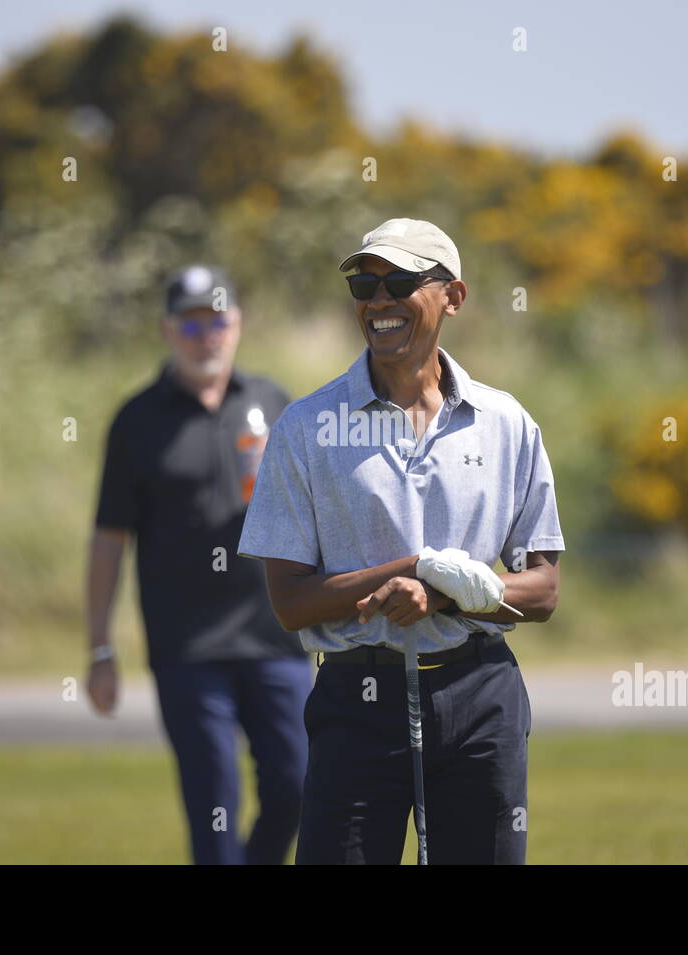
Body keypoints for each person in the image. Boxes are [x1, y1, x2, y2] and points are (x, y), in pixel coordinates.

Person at [237, 218, 563, 864]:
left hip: (481, 699)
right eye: (364, 283)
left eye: (401, 281)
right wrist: (411, 567)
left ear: (454, 296)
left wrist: (441, 592)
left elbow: (544, 588)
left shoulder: (507, 424)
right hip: (356, 704)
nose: (378, 299)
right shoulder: (305, 427)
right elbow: (291, 603)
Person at [87, 265, 308, 864]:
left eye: (218, 320)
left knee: (298, 785)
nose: (205, 334)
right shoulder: (137, 421)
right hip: (188, 648)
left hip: (275, 636)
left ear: (237, 325)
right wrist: (101, 649)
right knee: (213, 807)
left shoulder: (273, 403)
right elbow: (108, 540)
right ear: (167, 328)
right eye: (191, 321)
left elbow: (312, 514)